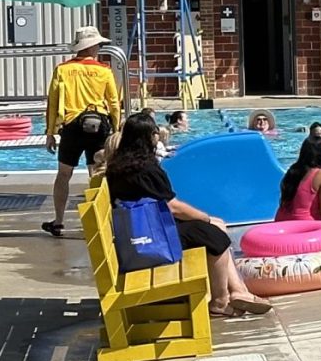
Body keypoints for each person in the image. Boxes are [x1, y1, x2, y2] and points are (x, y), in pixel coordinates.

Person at [102, 113, 273, 316]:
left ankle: (238, 291)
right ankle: (220, 300)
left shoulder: (118, 168)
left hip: (137, 234)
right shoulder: (145, 169)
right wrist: (206, 218)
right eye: (154, 133)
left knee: (214, 230)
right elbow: (173, 207)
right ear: (147, 137)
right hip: (152, 238)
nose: (157, 136)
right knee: (215, 235)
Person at [41, 25, 122, 238]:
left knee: (64, 174)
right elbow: (114, 103)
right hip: (100, 123)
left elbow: (53, 102)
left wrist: (50, 132)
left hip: (72, 126)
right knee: (97, 174)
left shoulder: (62, 70)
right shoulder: (104, 71)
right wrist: (115, 128)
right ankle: (103, 223)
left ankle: (58, 222)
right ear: (93, 46)